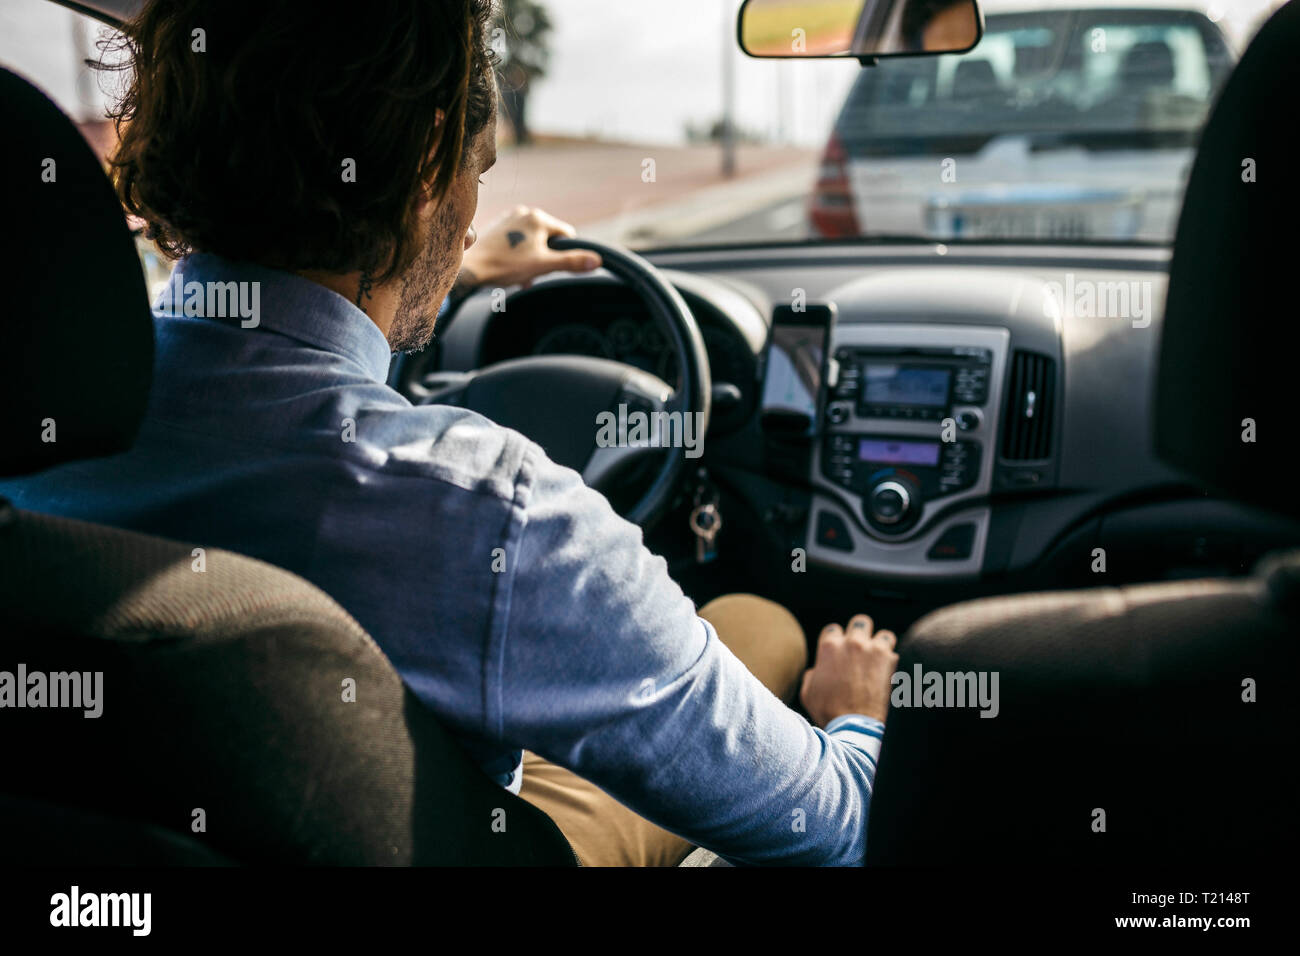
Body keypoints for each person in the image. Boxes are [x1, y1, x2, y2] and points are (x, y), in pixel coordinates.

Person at [0, 0, 897, 865]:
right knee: (761, 619)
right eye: (481, 168)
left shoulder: (39, 449)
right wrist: (856, 717)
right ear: (432, 159)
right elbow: (837, 826)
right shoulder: (502, 519)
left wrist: (444, 273)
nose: (473, 210)